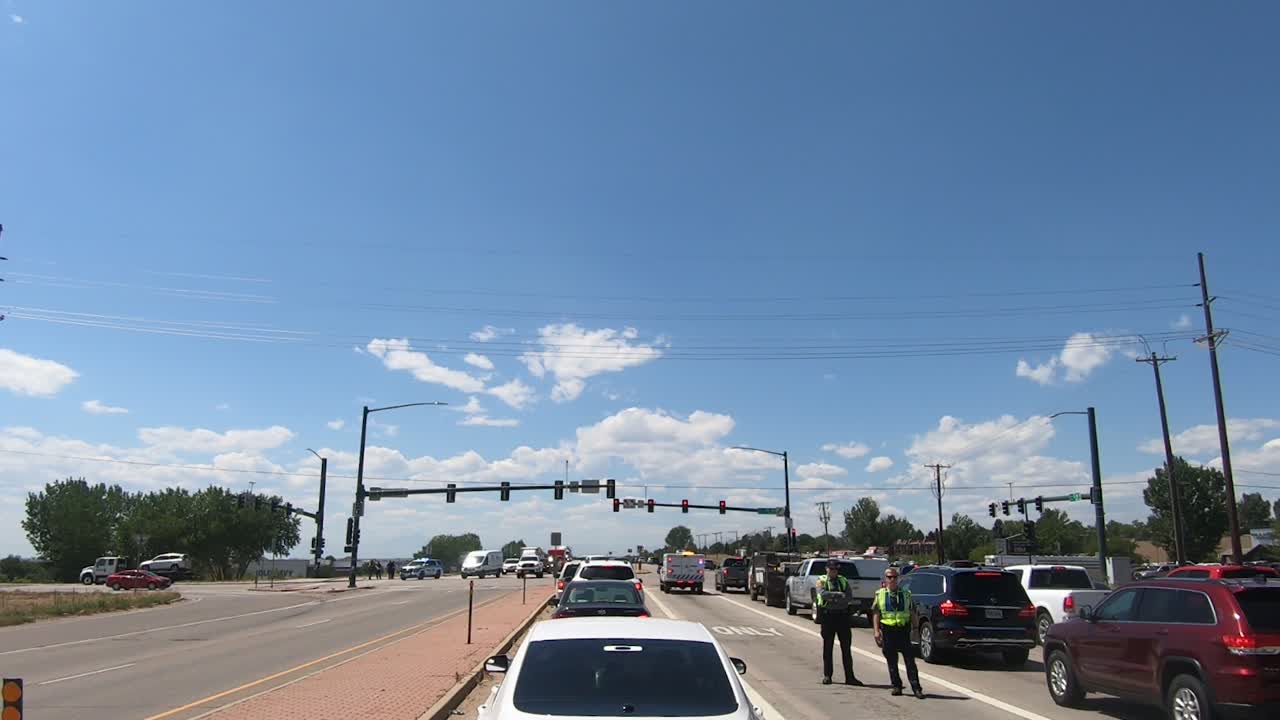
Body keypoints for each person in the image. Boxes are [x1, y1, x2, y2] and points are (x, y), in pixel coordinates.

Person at [873, 568, 924, 699]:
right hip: (888, 630)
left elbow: (912, 611)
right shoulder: (880, 594)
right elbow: (876, 613)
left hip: (903, 630)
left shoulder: (906, 594)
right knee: (891, 660)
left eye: (894, 577)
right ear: (885, 579)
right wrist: (876, 631)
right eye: (889, 577)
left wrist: (915, 629)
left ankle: (916, 688)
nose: (892, 580)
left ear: (898, 579)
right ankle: (896, 686)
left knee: (910, 661)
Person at [815, 560, 862, 686]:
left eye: (835, 569)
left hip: (843, 616)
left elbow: (849, 596)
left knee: (846, 648)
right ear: (826, 569)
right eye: (831, 569)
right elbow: (823, 594)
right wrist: (839, 595)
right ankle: (827, 675)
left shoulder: (843, 580)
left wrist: (834, 598)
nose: (833, 571)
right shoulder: (821, 580)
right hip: (828, 617)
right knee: (828, 647)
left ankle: (850, 677)